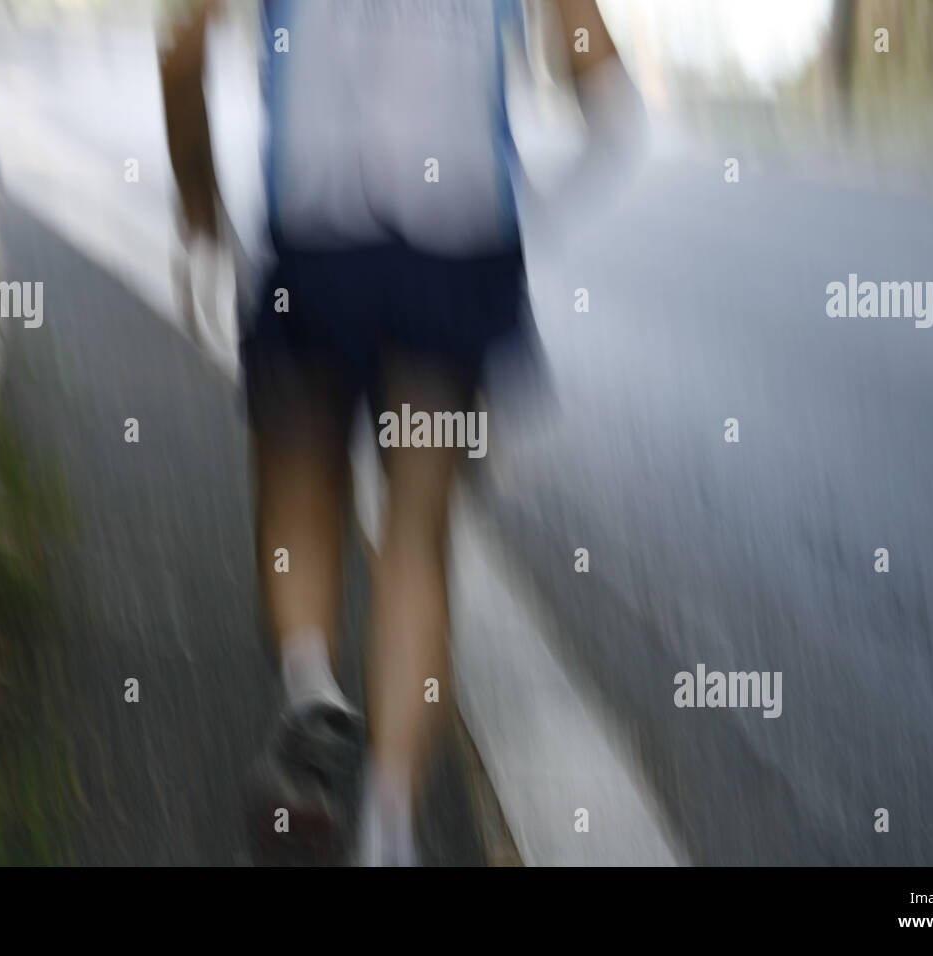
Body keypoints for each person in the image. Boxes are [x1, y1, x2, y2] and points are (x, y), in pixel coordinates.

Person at [161, 0, 633, 865]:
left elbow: (182, 42)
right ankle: (389, 829)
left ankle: (309, 689)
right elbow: (611, 103)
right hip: (456, 257)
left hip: (316, 240)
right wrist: (513, 217)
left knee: (297, 484)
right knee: (417, 539)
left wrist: (199, 215)